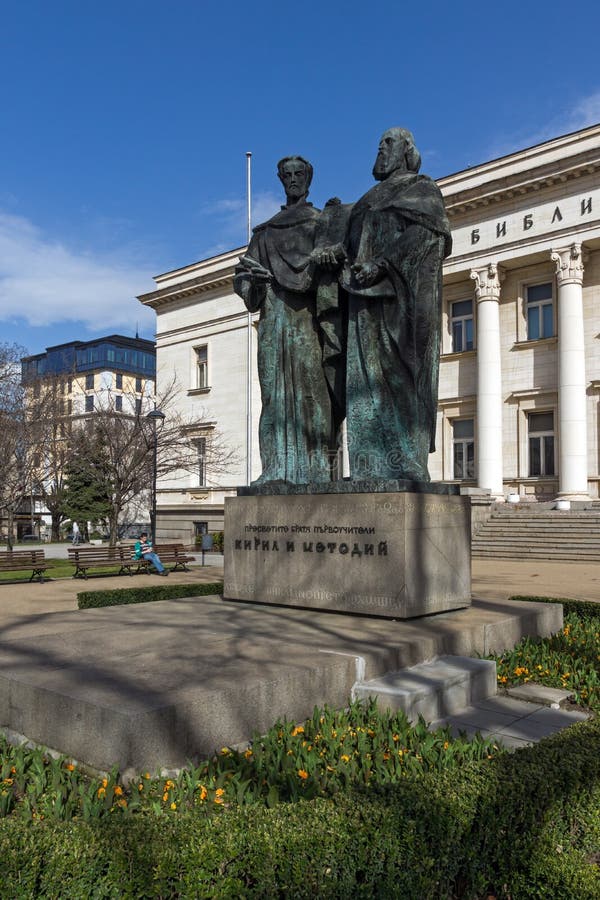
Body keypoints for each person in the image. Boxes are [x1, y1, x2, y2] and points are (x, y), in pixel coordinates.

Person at [338, 127, 452, 481]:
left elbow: (428, 236)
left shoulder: (422, 189)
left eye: (389, 143)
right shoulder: (367, 199)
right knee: (365, 381)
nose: (381, 148)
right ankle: (368, 464)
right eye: (379, 144)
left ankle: (406, 460)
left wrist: (383, 263)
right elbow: (351, 244)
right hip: (362, 299)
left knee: (398, 376)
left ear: (407, 151)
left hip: (398, 299)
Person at [233, 156, 342, 484]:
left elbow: (337, 269)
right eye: (287, 175)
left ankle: (317, 471)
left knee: (312, 394)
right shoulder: (265, 233)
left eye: (299, 174)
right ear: (281, 180)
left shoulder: (321, 223)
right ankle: (276, 470)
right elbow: (243, 276)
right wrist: (253, 281)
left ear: (309, 179)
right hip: (274, 322)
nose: (293, 180)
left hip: (307, 323)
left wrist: (329, 260)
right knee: (274, 396)